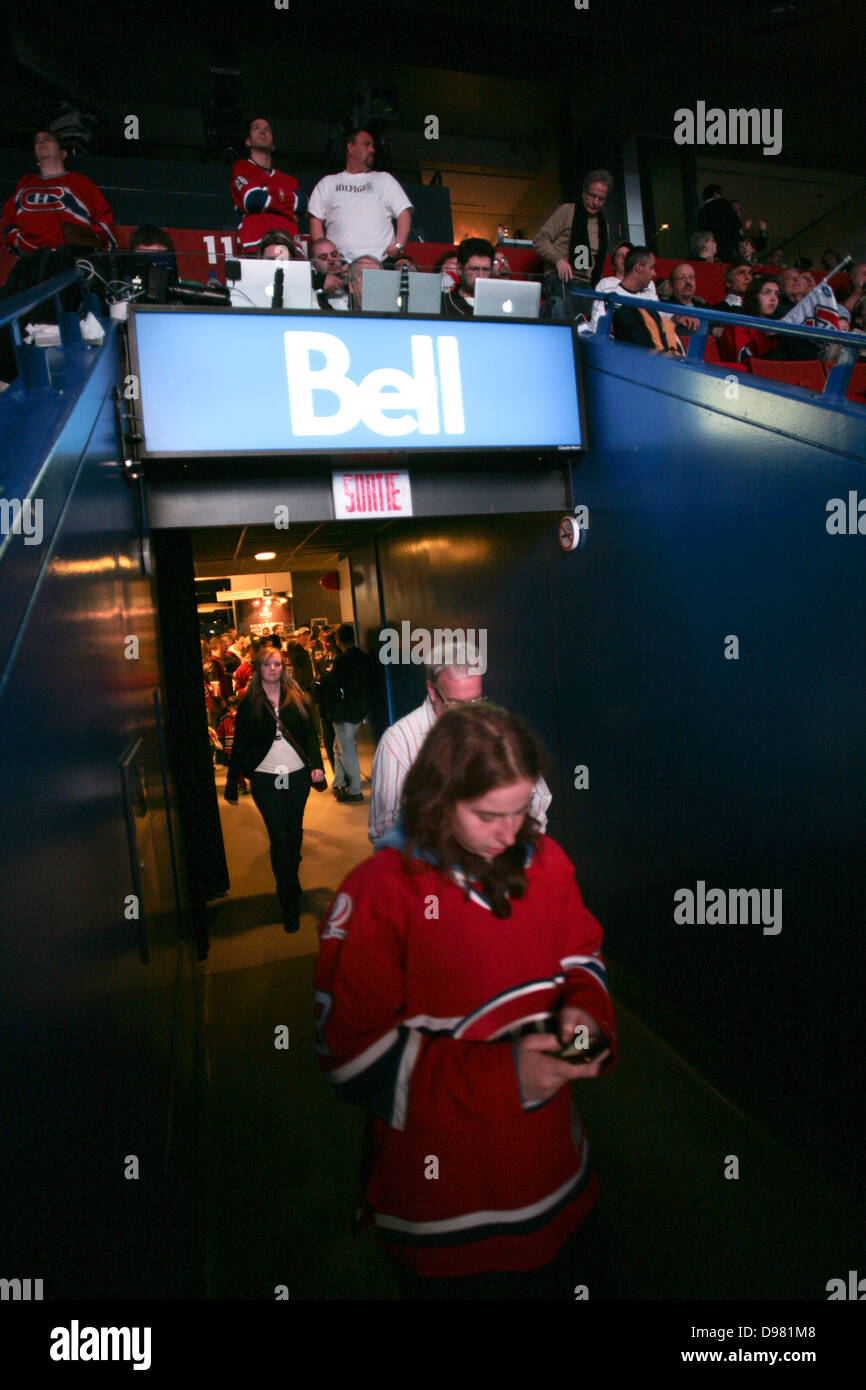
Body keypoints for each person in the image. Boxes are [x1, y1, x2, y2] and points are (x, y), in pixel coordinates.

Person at [315, 702, 617, 1297]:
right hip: (442, 1215)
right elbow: (349, 1059)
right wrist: (508, 1079)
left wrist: (585, 1017)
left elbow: (583, 957)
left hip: (558, 1185)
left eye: (521, 809)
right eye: (487, 816)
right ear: (437, 799)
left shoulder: (547, 862)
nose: (511, 834)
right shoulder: (378, 894)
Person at [368, 659, 551, 847]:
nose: (469, 713)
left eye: (476, 700)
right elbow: (382, 830)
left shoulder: (497, 727)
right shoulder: (398, 742)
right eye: (457, 703)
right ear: (432, 691)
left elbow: (540, 797)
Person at [224, 646, 325, 932]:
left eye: (278, 664)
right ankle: (288, 901)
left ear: (284, 668)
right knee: (279, 838)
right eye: (268, 664)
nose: (273, 669)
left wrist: (316, 764)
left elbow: (309, 733)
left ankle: (290, 876)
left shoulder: (296, 697)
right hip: (265, 779)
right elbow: (240, 742)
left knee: (293, 834)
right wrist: (233, 782)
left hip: (296, 776)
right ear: (258, 669)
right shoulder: (249, 702)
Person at [2, 129, 116, 256]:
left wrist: (91, 240)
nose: (41, 142)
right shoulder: (25, 182)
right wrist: (16, 241)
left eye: (47, 138)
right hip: (32, 259)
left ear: (63, 153)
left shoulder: (78, 181)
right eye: (37, 141)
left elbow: (103, 215)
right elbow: (8, 216)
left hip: (71, 260)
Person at [307, 129, 413, 265]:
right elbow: (315, 218)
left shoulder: (384, 179)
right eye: (367, 144)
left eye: (373, 146)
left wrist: (398, 245)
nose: (372, 150)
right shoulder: (328, 183)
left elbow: (404, 212)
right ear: (351, 147)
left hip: (381, 263)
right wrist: (326, 259)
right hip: (342, 266)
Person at [230, 117, 306, 254]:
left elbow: (302, 204)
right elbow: (252, 199)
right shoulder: (241, 168)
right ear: (248, 141)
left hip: (291, 248)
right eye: (256, 128)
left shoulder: (288, 179)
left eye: (267, 129)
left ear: (273, 146)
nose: (262, 132)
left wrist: (266, 191)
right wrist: (287, 209)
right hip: (256, 246)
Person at [318, 623, 372, 802]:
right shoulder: (363, 657)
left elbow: (333, 686)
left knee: (345, 749)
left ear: (338, 641)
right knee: (338, 746)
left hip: (343, 713)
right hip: (360, 710)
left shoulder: (340, 660)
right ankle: (339, 782)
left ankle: (355, 790)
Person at [533, 170, 613, 289]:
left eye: (601, 199)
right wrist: (558, 260)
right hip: (560, 278)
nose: (595, 202)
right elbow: (539, 240)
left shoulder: (603, 225)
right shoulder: (567, 211)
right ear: (584, 194)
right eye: (592, 196)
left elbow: (598, 264)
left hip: (587, 284)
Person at [610, 248, 683, 354]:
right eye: (652, 267)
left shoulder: (650, 294)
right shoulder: (612, 298)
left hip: (665, 357)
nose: (655, 273)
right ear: (639, 268)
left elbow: (664, 323)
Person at [717, 275, 780, 364]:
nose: (774, 299)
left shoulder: (777, 324)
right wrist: (764, 335)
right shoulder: (738, 324)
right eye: (767, 293)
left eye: (777, 294)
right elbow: (741, 358)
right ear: (753, 296)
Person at [440, 237, 494, 318]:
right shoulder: (443, 303)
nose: (481, 276)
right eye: (474, 269)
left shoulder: (499, 304)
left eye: (486, 270)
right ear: (459, 269)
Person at [695, 184, 742, 263]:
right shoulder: (722, 204)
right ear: (715, 194)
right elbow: (736, 223)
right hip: (727, 247)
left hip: (708, 250)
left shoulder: (701, 212)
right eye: (721, 194)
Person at [309, 237, 350, 310]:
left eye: (334, 255)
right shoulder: (309, 285)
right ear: (313, 264)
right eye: (323, 257)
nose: (331, 261)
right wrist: (319, 282)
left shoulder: (352, 275)